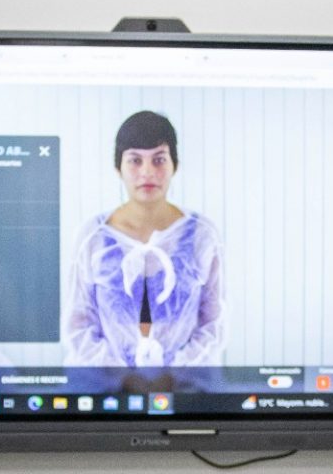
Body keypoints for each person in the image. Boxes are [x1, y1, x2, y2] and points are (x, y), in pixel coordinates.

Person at [63, 110, 225, 366]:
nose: (147, 172)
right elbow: (79, 326)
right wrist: (123, 379)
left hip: (186, 394)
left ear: (175, 165)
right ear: (118, 167)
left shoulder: (202, 235)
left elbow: (213, 325)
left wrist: (174, 377)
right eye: (135, 160)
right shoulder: (92, 237)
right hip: (106, 396)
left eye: (159, 160)